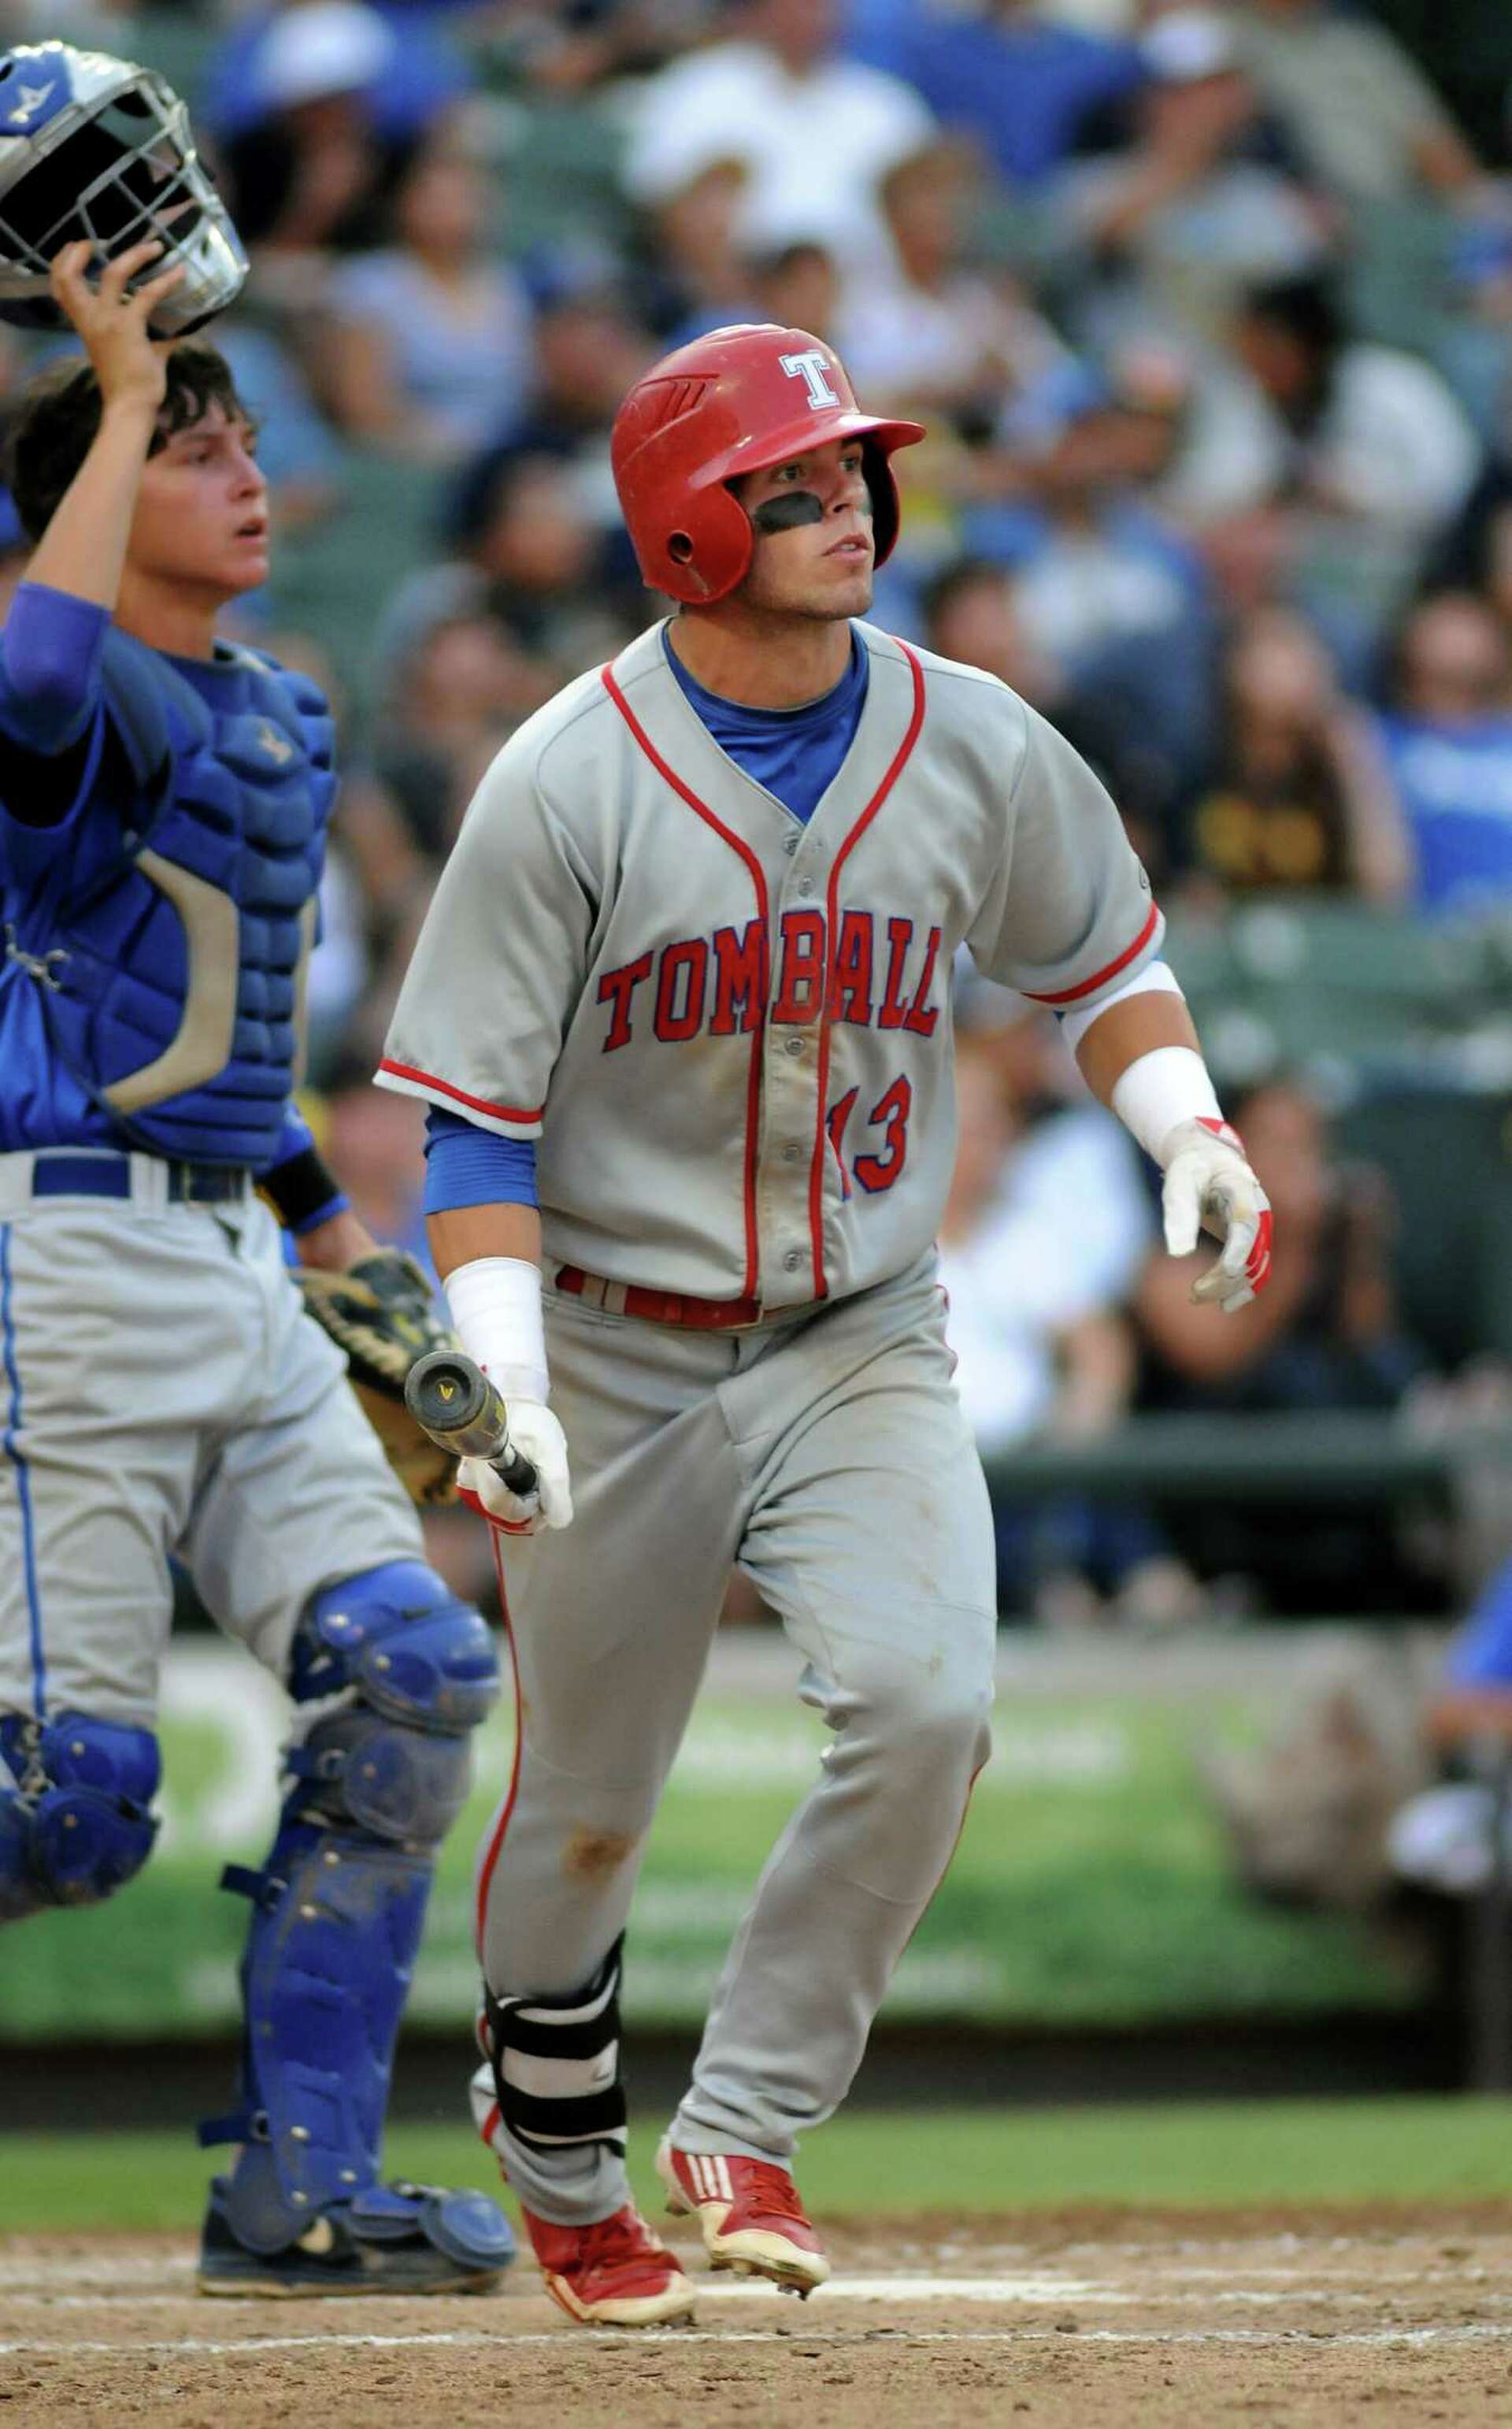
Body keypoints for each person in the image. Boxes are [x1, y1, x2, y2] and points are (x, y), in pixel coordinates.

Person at [378, 319, 1273, 2327]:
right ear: (689, 531)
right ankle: (558, 2153)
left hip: (858, 1323)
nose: (844, 505)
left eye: (850, 470)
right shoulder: (565, 778)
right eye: (789, 483)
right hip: (603, 1337)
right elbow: (467, 1129)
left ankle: (750, 2116)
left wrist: (1186, 1123)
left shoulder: (970, 732)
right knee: (591, 1801)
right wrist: (503, 1381)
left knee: (933, 1699)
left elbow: (1104, 963)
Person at [0, 219, 512, 2290]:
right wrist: (108, 399)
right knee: (66, 1807)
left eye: (233, 437)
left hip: (236, 1262)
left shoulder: (263, 709)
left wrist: (337, 1234)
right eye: (194, 446)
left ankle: (299, 2184)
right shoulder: (67, 692)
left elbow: (211, 1057)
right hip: (59, 1273)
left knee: (416, 1667)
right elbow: (33, 679)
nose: (245, 468)